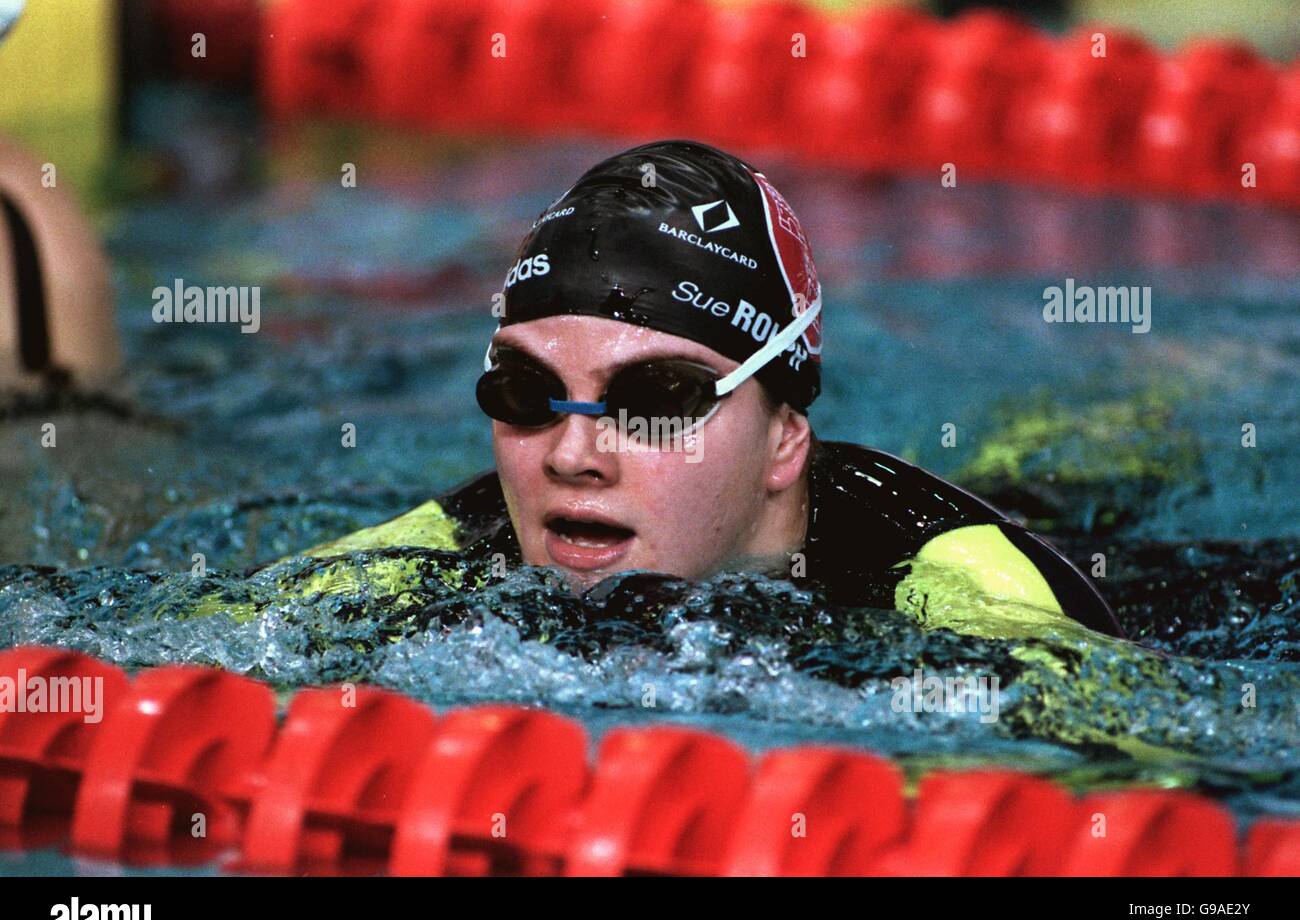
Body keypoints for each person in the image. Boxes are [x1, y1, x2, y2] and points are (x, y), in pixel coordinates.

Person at [292, 140, 1124, 640]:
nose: (574, 454)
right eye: (527, 391)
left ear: (784, 438)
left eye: (654, 400)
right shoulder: (447, 547)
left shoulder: (949, 581)